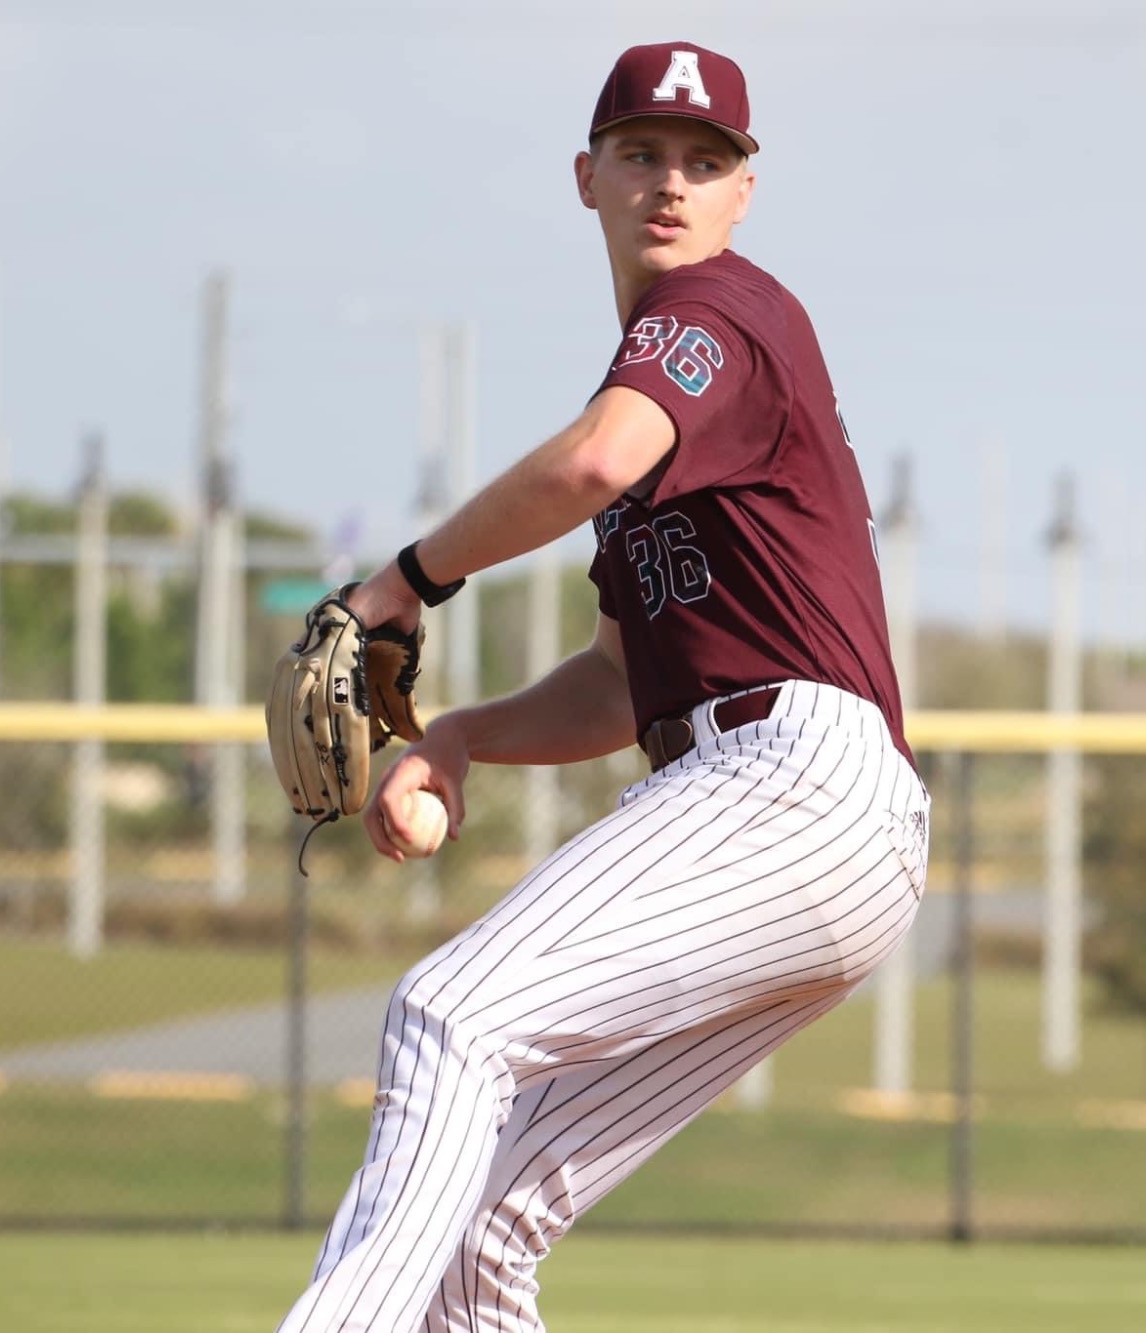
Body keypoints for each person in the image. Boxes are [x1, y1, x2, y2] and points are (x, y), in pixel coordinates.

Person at [275, 40, 927, 1333]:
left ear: (746, 191)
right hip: (802, 818)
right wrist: (460, 736)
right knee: (485, 1225)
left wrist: (404, 581)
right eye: (642, 155)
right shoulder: (664, 398)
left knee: (451, 1017)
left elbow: (592, 461)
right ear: (588, 179)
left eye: (706, 160)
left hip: (796, 781)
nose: (672, 184)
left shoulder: (721, 316)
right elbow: (621, 683)